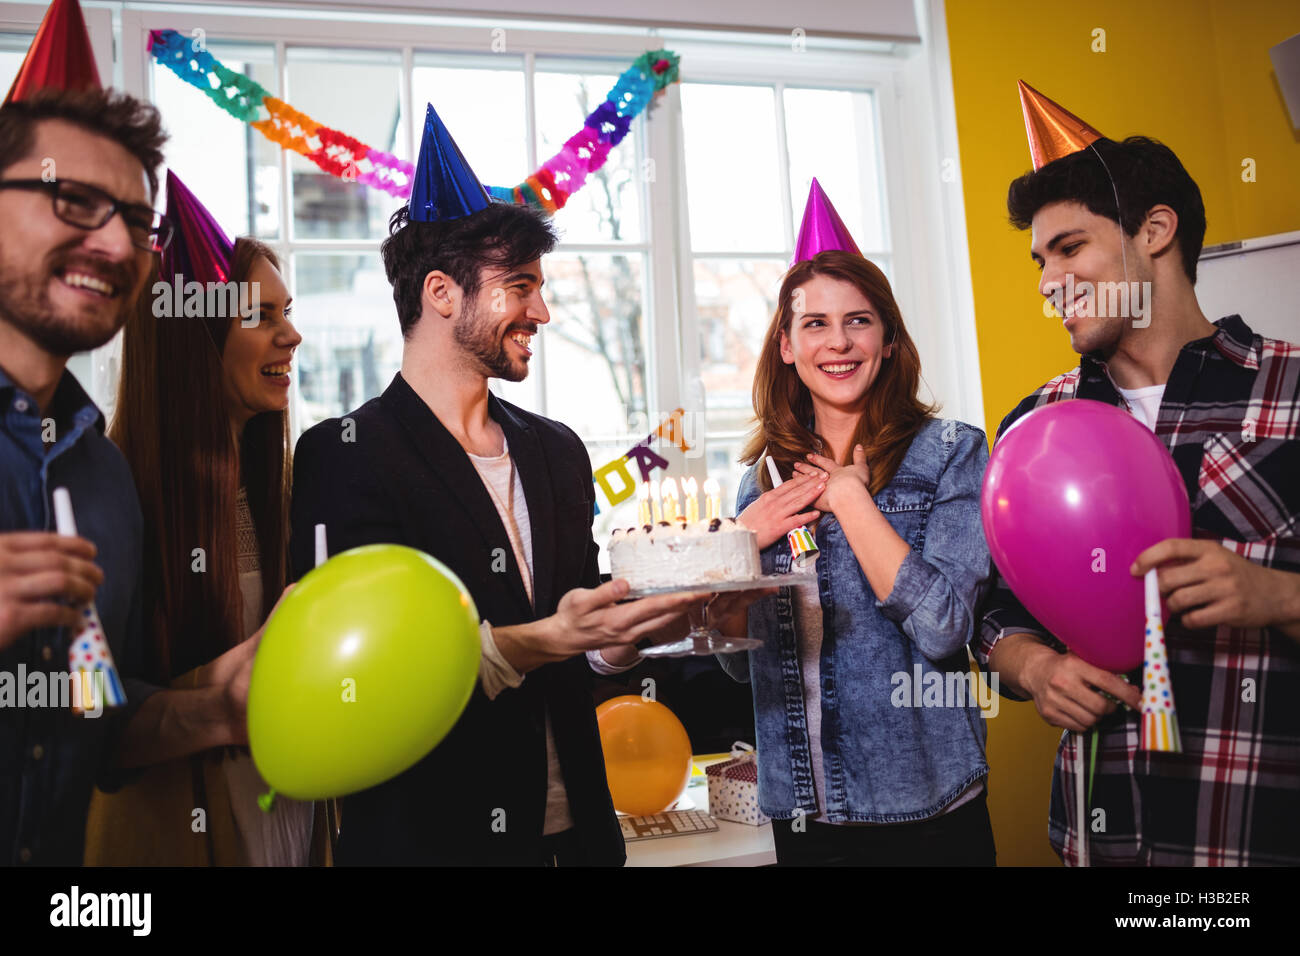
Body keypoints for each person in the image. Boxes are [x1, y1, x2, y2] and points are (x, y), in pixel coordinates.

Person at [289, 105, 701, 865]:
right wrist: (541, 640)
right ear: (442, 294)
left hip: (579, 843)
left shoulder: (556, 452)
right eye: (519, 287)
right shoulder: (345, 455)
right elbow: (357, 686)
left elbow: (584, 640)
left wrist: (629, 633)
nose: (541, 311)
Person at [977, 98, 1300, 865]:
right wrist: (1034, 666)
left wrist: (1279, 596)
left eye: (1069, 248)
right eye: (1040, 261)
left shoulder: (1289, 390)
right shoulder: (1036, 425)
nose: (1049, 281)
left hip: (1257, 835)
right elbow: (993, 609)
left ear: (1154, 232)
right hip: (1100, 839)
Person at [0, 88, 252, 866]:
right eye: (74, 201)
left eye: (137, 222)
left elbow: (101, 728)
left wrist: (223, 712)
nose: (115, 244)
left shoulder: (104, 476)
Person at [714, 184, 995, 866]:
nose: (837, 343)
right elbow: (735, 660)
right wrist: (734, 552)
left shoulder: (953, 452)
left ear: (890, 339)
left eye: (859, 321)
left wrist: (853, 502)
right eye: (814, 324)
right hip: (805, 816)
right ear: (785, 345)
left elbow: (945, 628)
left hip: (927, 813)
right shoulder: (762, 481)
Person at [83, 167, 324, 865]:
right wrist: (222, 699)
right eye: (263, 317)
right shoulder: (114, 501)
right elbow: (90, 723)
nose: (293, 336)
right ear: (197, 339)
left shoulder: (283, 491)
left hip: (290, 817)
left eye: (289, 311)